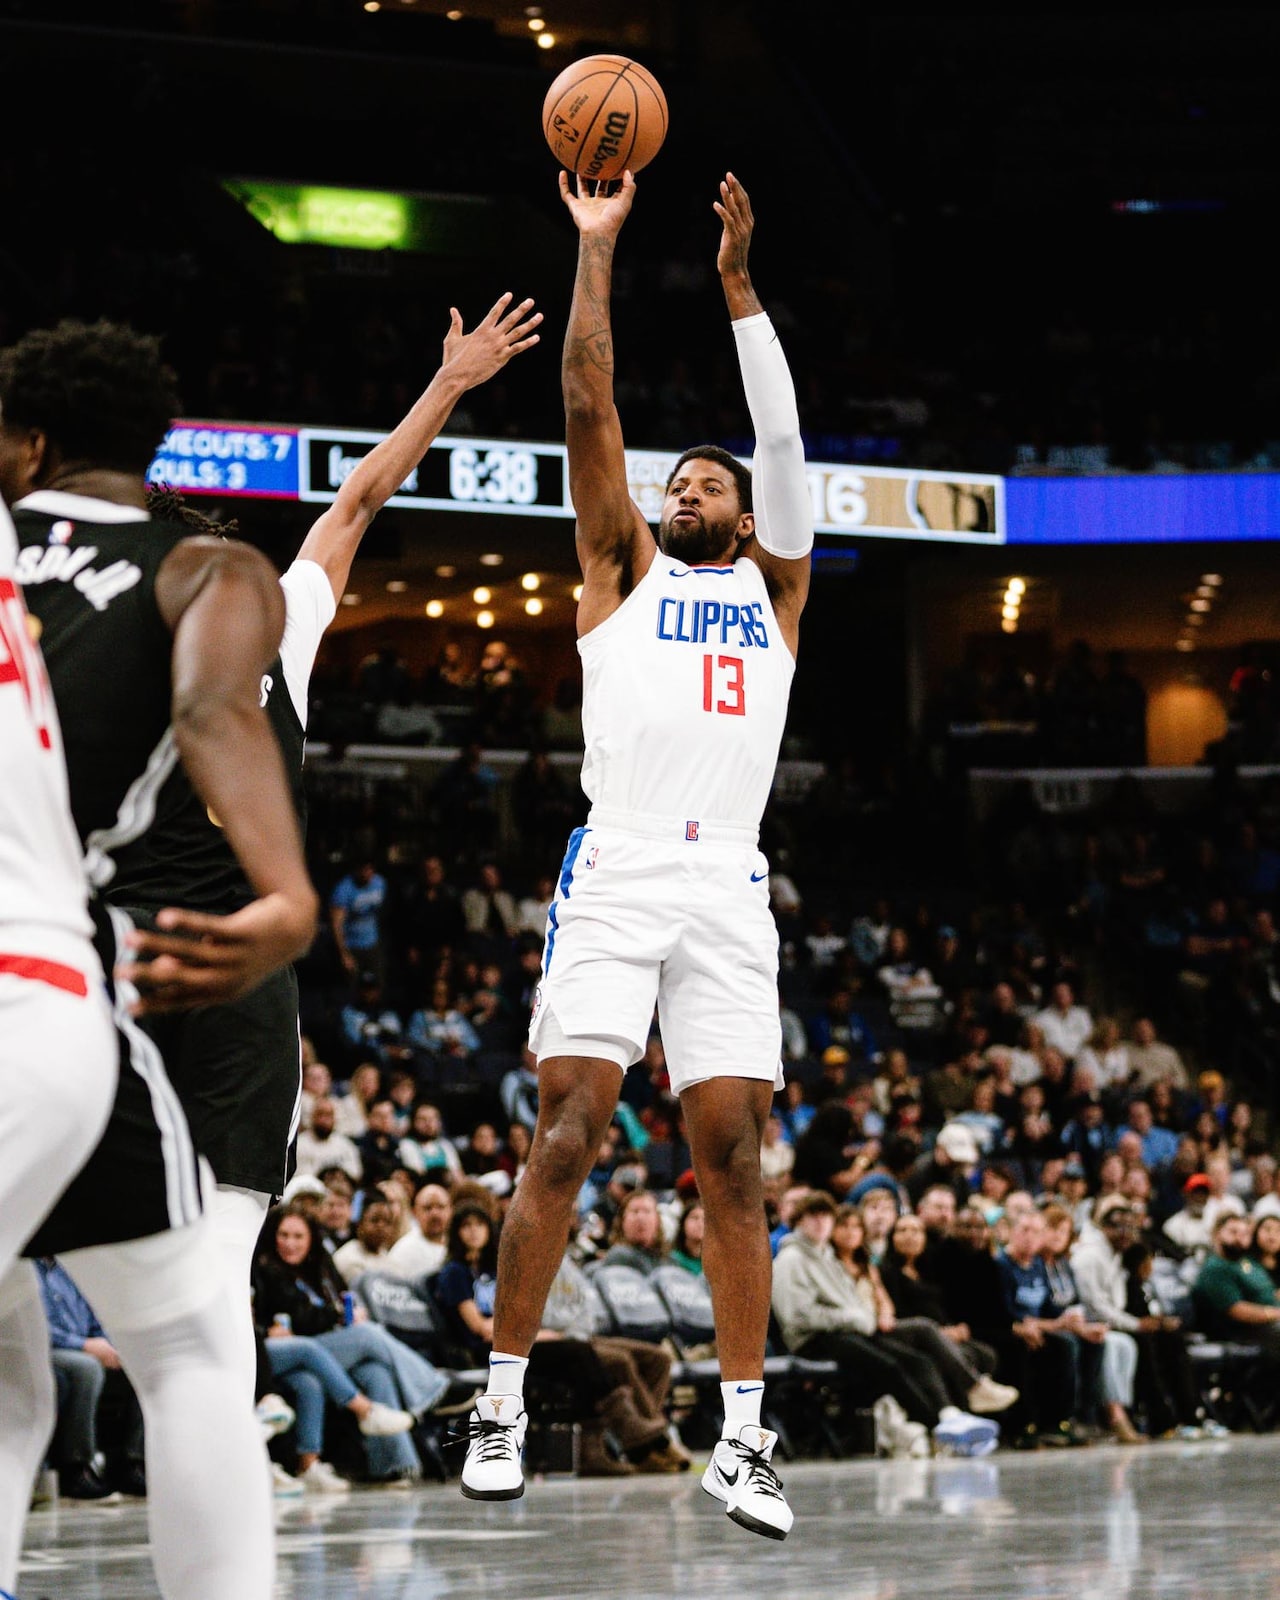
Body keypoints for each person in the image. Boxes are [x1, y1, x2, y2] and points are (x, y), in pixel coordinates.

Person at [100, 292, 541, 1398]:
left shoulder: (280, 624)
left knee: (213, 1277)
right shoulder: (98, 644)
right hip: (123, 965)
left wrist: (448, 384)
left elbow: (356, 499)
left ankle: (212, 1496)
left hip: (247, 982)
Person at [459, 172, 812, 1544]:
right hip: (615, 869)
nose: (686, 488)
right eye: (678, 480)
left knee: (734, 1157)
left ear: (743, 511)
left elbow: (785, 444)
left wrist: (738, 287)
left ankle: (740, 1440)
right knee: (568, 1133)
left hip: (729, 876)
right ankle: (497, 1406)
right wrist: (594, 246)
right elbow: (589, 405)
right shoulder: (622, 564)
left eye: (707, 481)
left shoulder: (777, 591)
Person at [1, 318, 321, 1600]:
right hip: (51, 991)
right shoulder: (213, 569)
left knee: (25, 1368)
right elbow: (207, 708)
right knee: (191, 1339)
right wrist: (287, 891)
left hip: (79, 1004)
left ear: (25, 443)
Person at [253, 1204, 450, 1483]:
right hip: (299, 1347)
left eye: (298, 1236)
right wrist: (336, 1316)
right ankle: (430, 1389)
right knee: (368, 1336)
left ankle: (396, 1465)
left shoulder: (320, 1266)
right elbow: (302, 1319)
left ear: (311, 1239)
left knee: (373, 1372)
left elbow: (337, 1302)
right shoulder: (267, 1269)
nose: (290, 1243)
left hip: (322, 1350)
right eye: (283, 1235)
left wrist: (350, 1313)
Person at [386, 1183, 452, 1279]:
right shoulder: (403, 1251)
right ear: (415, 1212)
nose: (435, 1214)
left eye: (441, 1207)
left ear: (451, 1210)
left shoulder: (459, 1246)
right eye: (428, 1208)